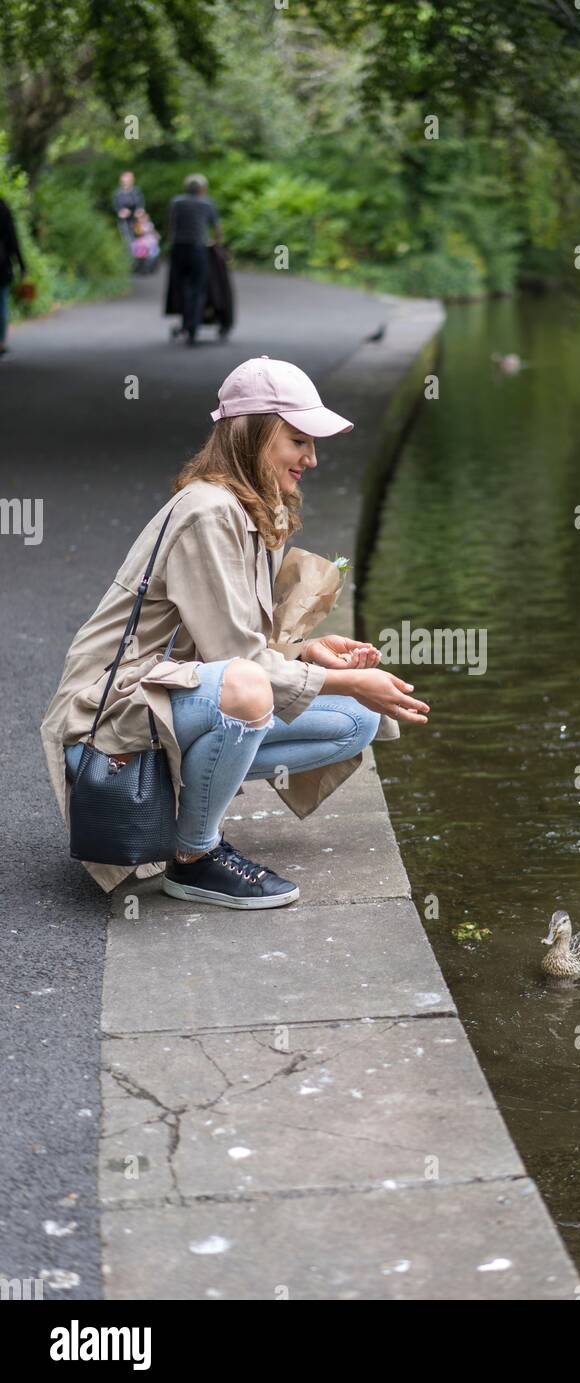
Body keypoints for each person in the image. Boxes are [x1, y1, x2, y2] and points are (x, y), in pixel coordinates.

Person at [40, 357, 430, 908]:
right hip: (107, 715)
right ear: (254, 435)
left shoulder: (250, 508)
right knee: (262, 692)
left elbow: (231, 647)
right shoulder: (209, 512)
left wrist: (306, 651)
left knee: (358, 721)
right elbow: (237, 668)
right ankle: (195, 857)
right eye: (298, 440)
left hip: (167, 695)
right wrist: (344, 679)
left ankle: (185, 813)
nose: (312, 459)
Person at [167, 174, 220, 345]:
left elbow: (171, 226)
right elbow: (217, 229)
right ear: (202, 189)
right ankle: (193, 327)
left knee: (182, 287)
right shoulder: (207, 203)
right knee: (197, 289)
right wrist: (216, 243)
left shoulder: (176, 202)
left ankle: (185, 324)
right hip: (198, 249)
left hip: (178, 248)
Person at [0, 197, 26, 358]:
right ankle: (1, 341)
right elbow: (13, 239)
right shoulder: (3, 208)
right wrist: (21, 265)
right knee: (2, 303)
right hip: (2, 266)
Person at [112, 170, 145, 245]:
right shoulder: (117, 193)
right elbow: (115, 206)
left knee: (140, 238)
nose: (128, 181)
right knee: (128, 240)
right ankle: (131, 255)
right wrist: (121, 212)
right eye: (126, 180)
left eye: (130, 179)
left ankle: (141, 255)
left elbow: (141, 204)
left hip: (137, 220)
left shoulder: (136, 191)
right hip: (124, 221)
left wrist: (140, 210)